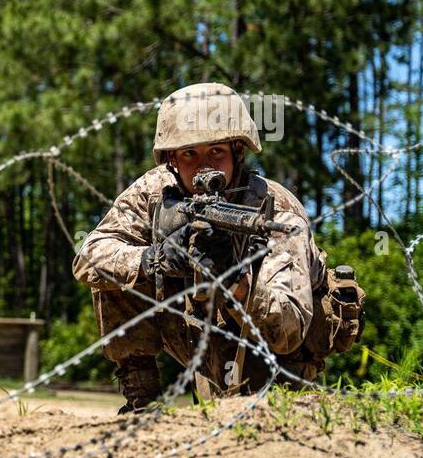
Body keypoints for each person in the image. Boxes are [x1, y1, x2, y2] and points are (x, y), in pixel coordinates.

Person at [72, 83, 363, 410]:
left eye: (216, 152)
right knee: (116, 271)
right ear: (171, 159)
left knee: (260, 422)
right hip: (197, 342)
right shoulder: (155, 193)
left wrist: (236, 283)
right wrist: (156, 259)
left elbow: (288, 330)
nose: (203, 168)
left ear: (238, 151)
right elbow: (87, 257)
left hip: (277, 363)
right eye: (189, 154)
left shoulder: (276, 212)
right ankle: (141, 403)